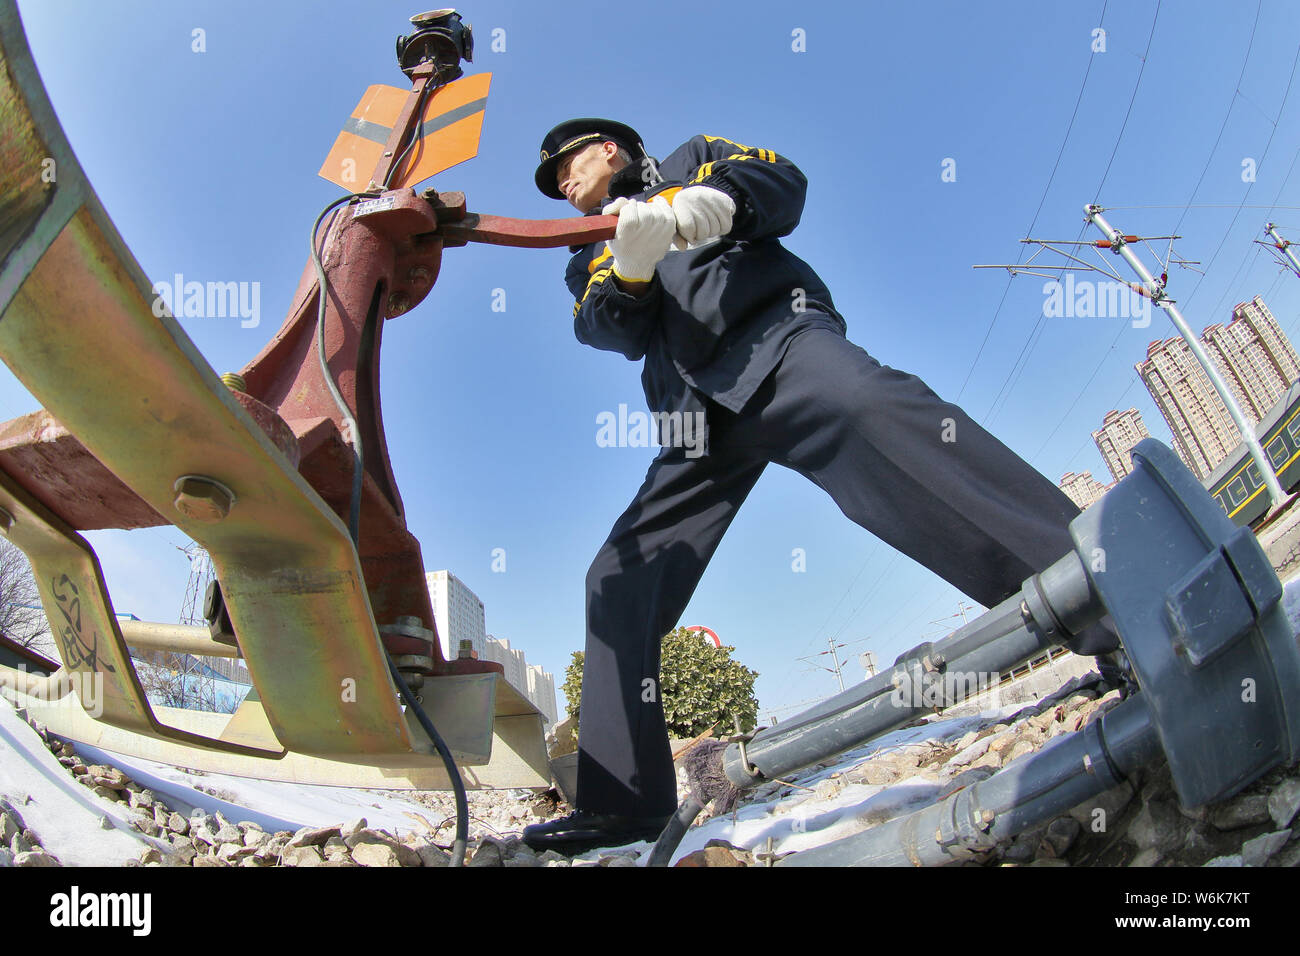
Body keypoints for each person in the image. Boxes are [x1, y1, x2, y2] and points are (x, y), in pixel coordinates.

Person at [521, 118, 1116, 855]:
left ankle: (1115, 605)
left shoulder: (695, 157)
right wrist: (631, 267)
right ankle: (624, 806)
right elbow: (605, 327)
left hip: (778, 345)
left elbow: (784, 183)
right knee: (617, 578)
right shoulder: (582, 248)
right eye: (553, 185)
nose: (561, 186)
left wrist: (721, 202)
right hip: (692, 418)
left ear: (605, 146)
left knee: (881, 414)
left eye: (564, 169)